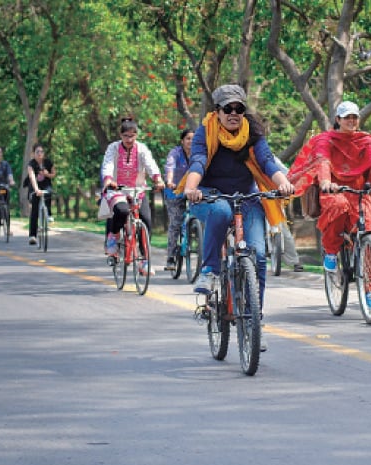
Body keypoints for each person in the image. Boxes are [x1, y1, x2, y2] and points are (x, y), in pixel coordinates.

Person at [180, 84, 294, 311]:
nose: (233, 113)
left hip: (246, 196)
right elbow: (199, 160)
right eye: (227, 108)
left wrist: (284, 184)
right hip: (210, 195)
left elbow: (266, 160)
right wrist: (191, 188)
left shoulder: (252, 131)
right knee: (221, 211)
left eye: (238, 109)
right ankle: (210, 271)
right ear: (217, 111)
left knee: (258, 255)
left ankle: (254, 318)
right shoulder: (206, 130)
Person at [287, 100, 371, 300]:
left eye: (354, 117)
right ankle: (330, 252)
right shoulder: (325, 140)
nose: (351, 121)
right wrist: (326, 181)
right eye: (347, 117)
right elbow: (323, 161)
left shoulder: (366, 140)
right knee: (337, 206)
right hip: (334, 190)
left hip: (359, 191)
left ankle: (370, 291)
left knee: (370, 228)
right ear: (338, 119)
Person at [100, 119, 165, 274]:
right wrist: (109, 179)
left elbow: (150, 164)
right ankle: (113, 238)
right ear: (120, 135)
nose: (129, 140)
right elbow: (107, 164)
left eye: (132, 136)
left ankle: (144, 260)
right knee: (121, 211)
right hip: (117, 189)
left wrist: (157, 178)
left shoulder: (141, 149)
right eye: (126, 136)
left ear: (136, 135)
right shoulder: (113, 148)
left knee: (146, 220)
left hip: (137, 190)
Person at [164, 128, 194, 270]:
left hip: (193, 192)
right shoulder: (175, 153)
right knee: (175, 223)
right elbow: (170, 166)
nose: (191, 141)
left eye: (193, 139)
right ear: (182, 141)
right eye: (188, 138)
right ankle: (170, 257)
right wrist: (170, 181)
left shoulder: (198, 154)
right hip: (174, 192)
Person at [25, 143, 57, 245]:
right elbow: (32, 177)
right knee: (34, 210)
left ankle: (49, 215)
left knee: (48, 193)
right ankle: (32, 236)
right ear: (34, 153)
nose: (40, 153)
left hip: (46, 185)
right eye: (37, 152)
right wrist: (36, 189)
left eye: (41, 151)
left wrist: (47, 174)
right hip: (34, 187)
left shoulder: (48, 162)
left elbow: (53, 174)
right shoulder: (31, 164)